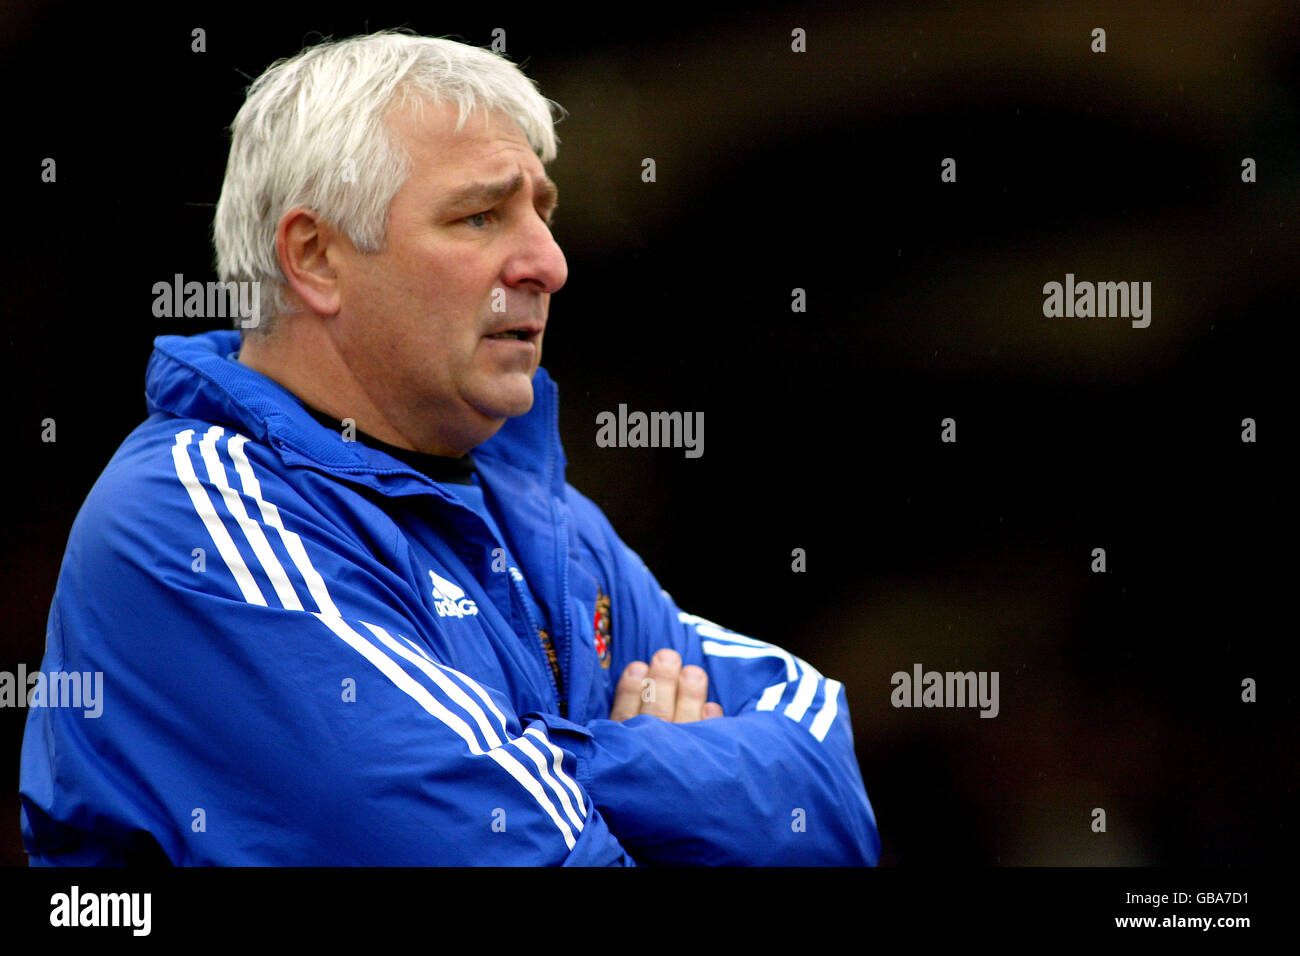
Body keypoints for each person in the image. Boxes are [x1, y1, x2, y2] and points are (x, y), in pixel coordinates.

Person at [19, 31, 881, 865]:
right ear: (315, 258)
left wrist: (571, 765)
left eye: (543, 213)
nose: (549, 263)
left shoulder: (545, 521)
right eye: (480, 216)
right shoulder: (192, 518)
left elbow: (833, 795)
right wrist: (676, 786)